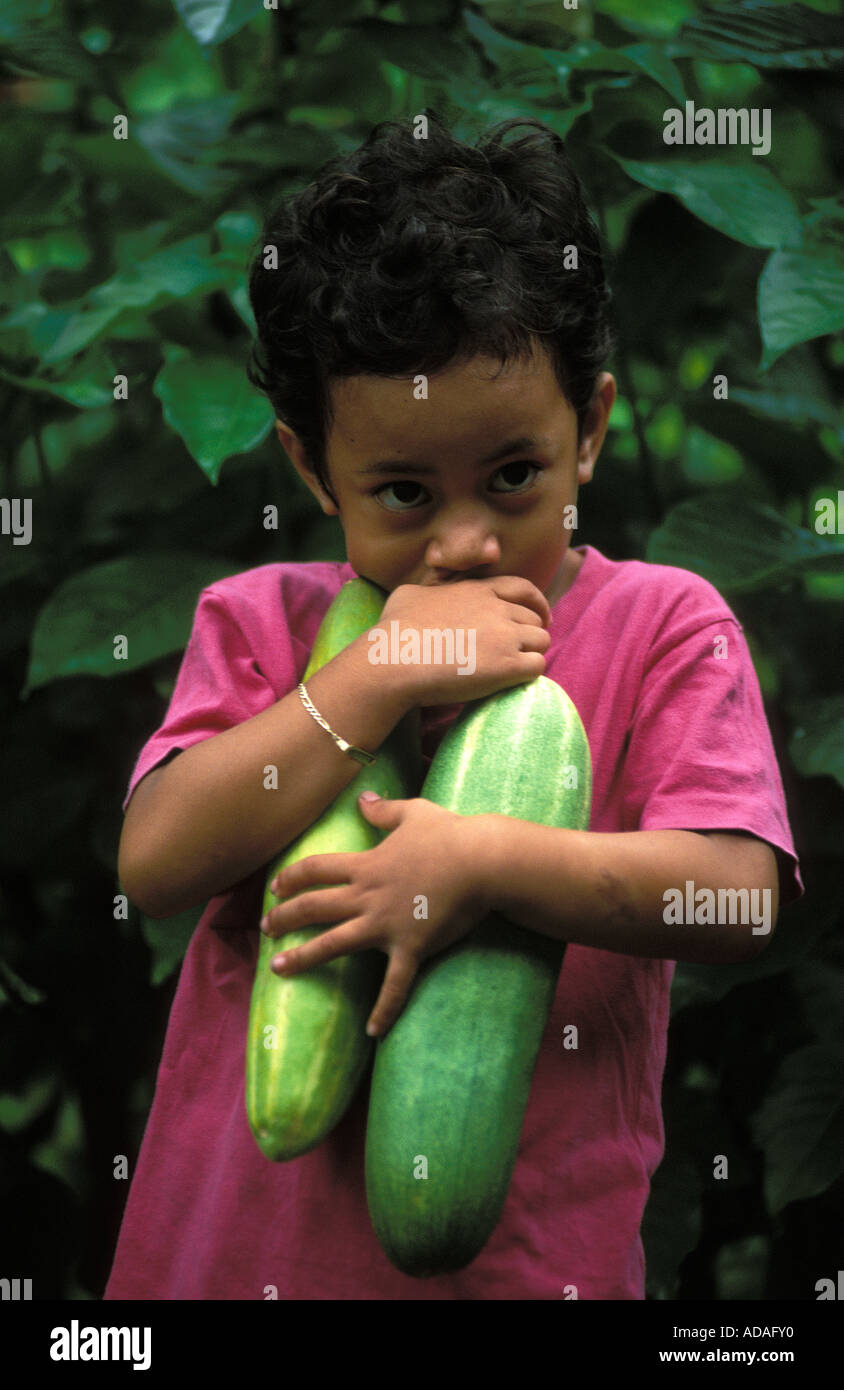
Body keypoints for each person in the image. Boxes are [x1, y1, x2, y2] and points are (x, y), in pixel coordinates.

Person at [104, 112, 802, 1300]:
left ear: (588, 429)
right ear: (313, 468)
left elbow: (736, 897)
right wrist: (376, 673)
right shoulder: (265, 625)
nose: (467, 538)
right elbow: (155, 862)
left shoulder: (662, 628)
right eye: (404, 491)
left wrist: (480, 862)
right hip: (229, 1268)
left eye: (513, 475)